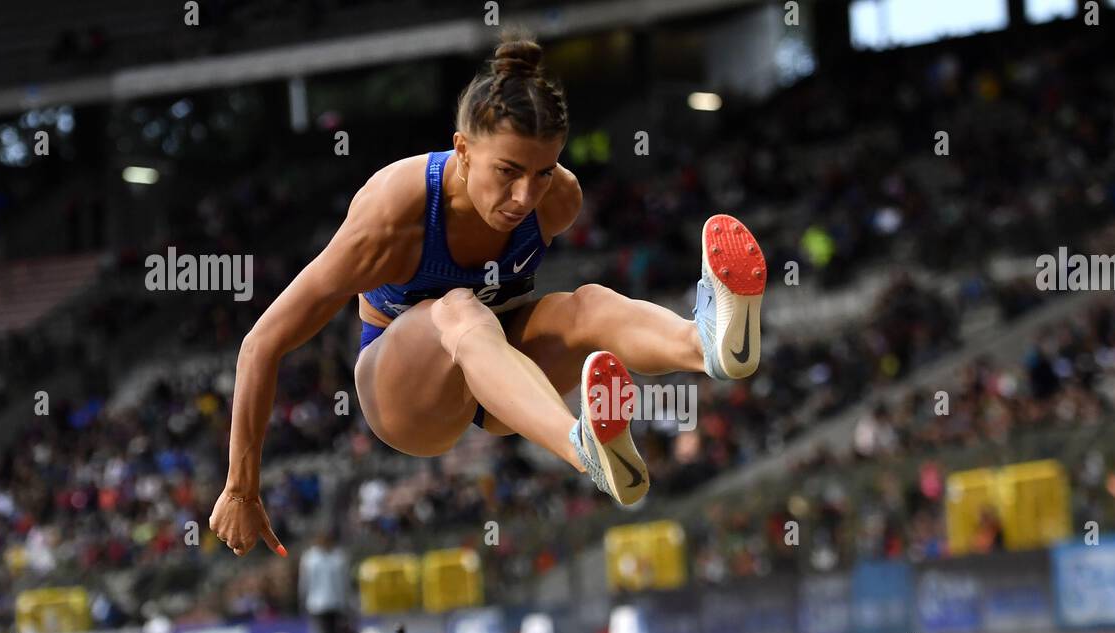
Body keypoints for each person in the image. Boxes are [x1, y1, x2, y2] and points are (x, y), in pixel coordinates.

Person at [209, 31, 767, 558]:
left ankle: (707, 346)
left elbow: (536, 237)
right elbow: (262, 343)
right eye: (508, 171)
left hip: (496, 378)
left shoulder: (559, 201)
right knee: (456, 309)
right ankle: (581, 447)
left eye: (543, 171)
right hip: (405, 398)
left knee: (588, 303)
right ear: (463, 149)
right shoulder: (390, 217)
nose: (525, 195)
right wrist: (240, 488)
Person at [298, 529, 353, 633]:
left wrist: (347, 602)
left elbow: (344, 582)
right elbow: (305, 582)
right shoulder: (313, 558)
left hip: (331, 603)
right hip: (321, 603)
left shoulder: (336, 558)